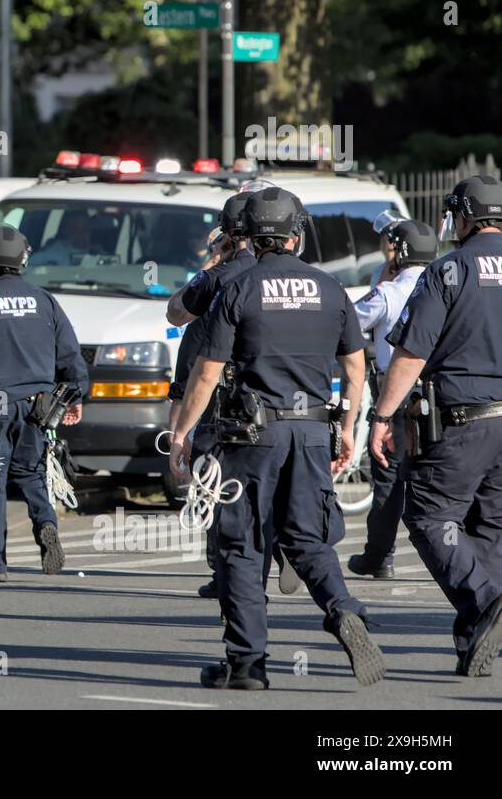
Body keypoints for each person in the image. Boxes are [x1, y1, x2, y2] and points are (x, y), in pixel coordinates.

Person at [171, 187, 384, 690]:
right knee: (308, 538)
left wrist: (181, 433)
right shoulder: (330, 288)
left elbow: (206, 374)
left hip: (251, 436)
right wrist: (347, 426)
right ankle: (343, 609)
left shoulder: (238, 289)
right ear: (296, 234)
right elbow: (355, 365)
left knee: (242, 545)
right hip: (312, 432)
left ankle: (247, 664)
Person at [370, 175, 502, 678]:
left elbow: (411, 352)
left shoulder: (449, 270)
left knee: (429, 516)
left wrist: (382, 416)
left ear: (465, 216)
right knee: (490, 528)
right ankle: (475, 646)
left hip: (462, 420)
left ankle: (488, 602)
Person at [164, 193, 300, 599]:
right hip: (287, 396)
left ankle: (228, 571)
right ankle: (282, 544)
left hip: (227, 400)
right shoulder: (294, 275)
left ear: (227, 230)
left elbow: (177, 314)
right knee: (277, 482)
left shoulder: (224, 275)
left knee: (221, 485)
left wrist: (211, 262)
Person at [0, 227, 89, 581]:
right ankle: (46, 524)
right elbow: (69, 353)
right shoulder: (44, 299)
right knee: (32, 474)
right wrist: (75, 394)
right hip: (40, 405)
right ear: (24, 257)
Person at [348, 219, 436, 580]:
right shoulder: (442, 284)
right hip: (437, 391)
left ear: (401, 252)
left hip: (394, 392)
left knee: (388, 476)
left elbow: (351, 321)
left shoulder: (389, 291)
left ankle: (379, 555)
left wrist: (380, 281)